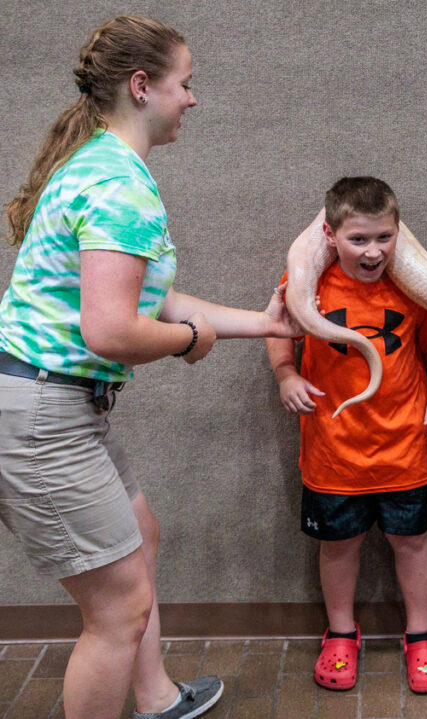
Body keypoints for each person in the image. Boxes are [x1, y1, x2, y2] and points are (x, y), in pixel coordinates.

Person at [0, 16, 301, 719]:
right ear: (142, 86)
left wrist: (259, 322)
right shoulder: (118, 185)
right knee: (116, 613)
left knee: (142, 535)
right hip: (45, 412)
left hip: (54, 402)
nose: (191, 99)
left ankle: (157, 698)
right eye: (184, 83)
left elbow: (150, 298)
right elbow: (112, 328)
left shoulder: (100, 166)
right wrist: (187, 338)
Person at [266, 176, 427, 695]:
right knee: (339, 546)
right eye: (358, 239)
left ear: (398, 234)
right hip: (333, 451)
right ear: (329, 235)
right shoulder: (306, 284)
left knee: (412, 543)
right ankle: (341, 634)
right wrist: (287, 376)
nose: (373, 252)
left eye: (383, 238)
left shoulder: (415, 285)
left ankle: (420, 636)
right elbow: (278, 334)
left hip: (405, 448)